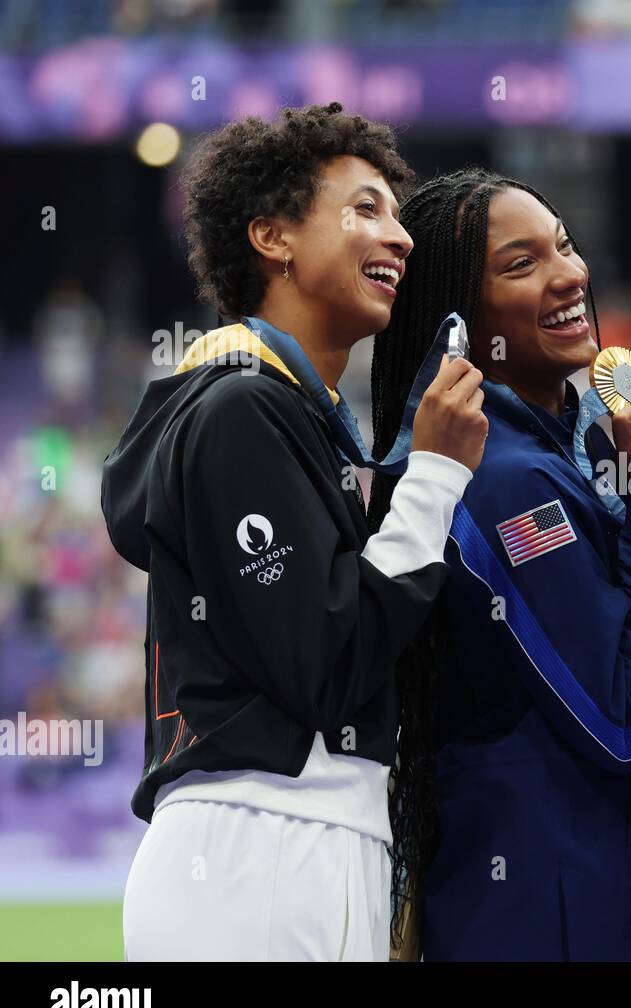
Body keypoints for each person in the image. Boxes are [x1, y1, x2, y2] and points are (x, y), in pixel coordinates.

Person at [101, 103, 488, 961]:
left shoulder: (288, 416)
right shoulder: (239, 405)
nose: (402, 237)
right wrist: (432, 477)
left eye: (397, 213)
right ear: (273, 237)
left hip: (307, 838)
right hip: (253, 845)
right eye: (364, 209)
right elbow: (330, 660)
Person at [369, 167, 631, 961]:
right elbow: (623, 712)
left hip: (574, 903)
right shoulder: (500, 474)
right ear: (460, 318)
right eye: (521, 264)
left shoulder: (561, 437)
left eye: (563, 244)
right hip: (555, 916)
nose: (569, 274)